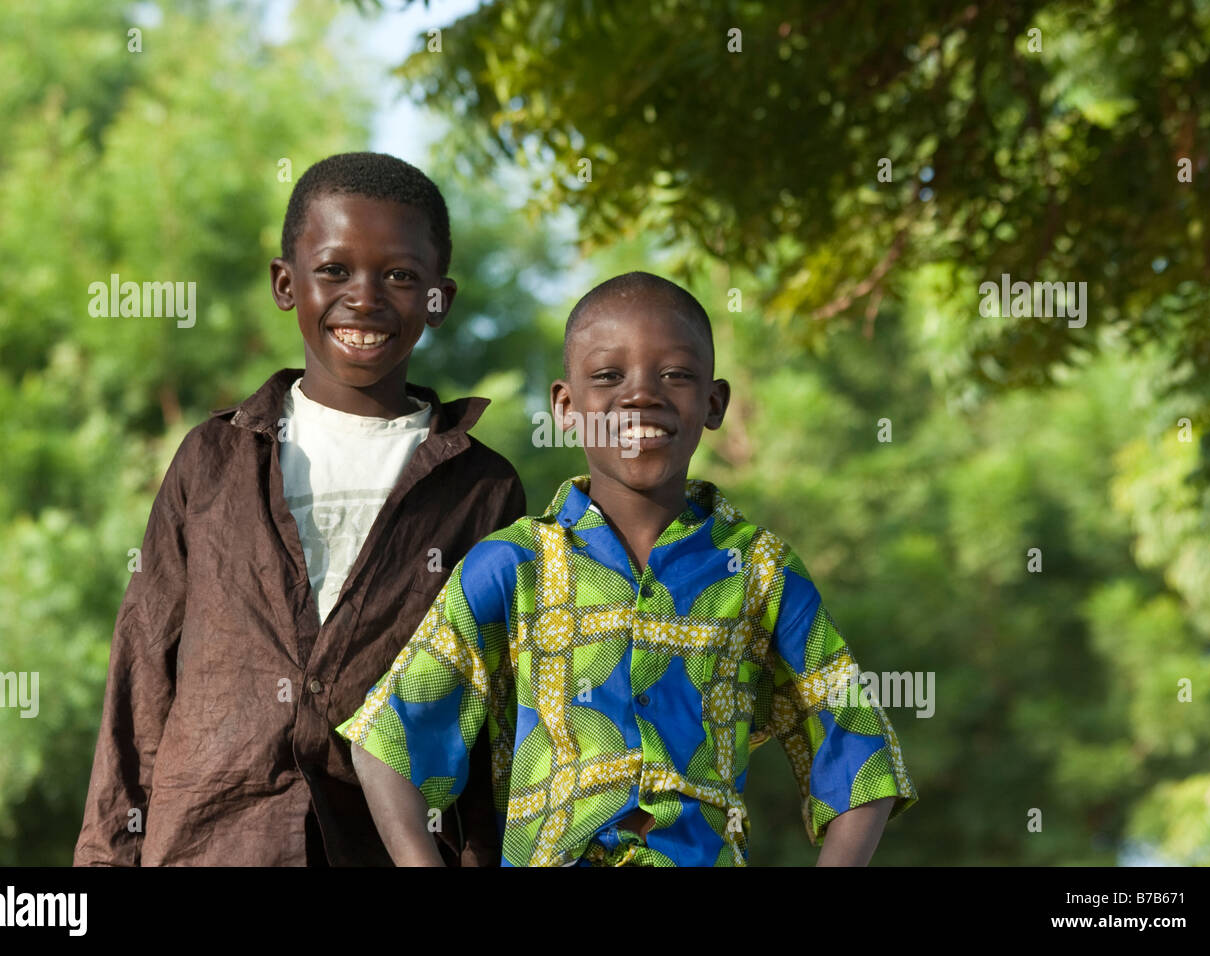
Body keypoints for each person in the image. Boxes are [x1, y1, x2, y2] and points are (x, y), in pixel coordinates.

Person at [337, 271, 917, 866]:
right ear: (566, 405)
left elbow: (859, 749)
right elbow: (388, 744)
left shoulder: (760, 569)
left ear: (713, 403)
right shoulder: (514, 565)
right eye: (609, 376)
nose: (641, 395)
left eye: (675, 375)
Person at [74, 152, 524, 866]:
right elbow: (142, 672)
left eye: (401, 276)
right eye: (335, 270)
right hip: (207, 845)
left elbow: (493, 714)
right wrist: (106, 858)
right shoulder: (213, 460)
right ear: (287, 284)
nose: (365, 297)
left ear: (440, 299)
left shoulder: (482, 489)